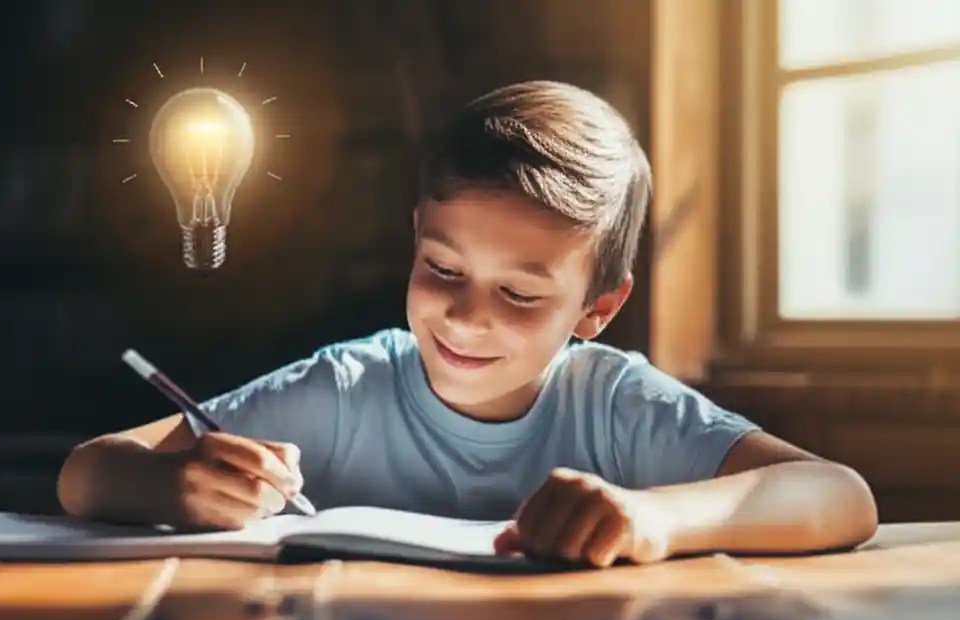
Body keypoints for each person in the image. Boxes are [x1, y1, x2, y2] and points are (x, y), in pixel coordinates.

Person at [57, 80, 878, 567]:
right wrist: (171, 485)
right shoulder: (346, 388)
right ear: (416, 236)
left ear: (597, 309)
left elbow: (840, 494)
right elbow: (88, 472)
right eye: (443, 269)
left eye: (519, 294)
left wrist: (654, 519)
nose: (463, 314)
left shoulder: (615, 404)